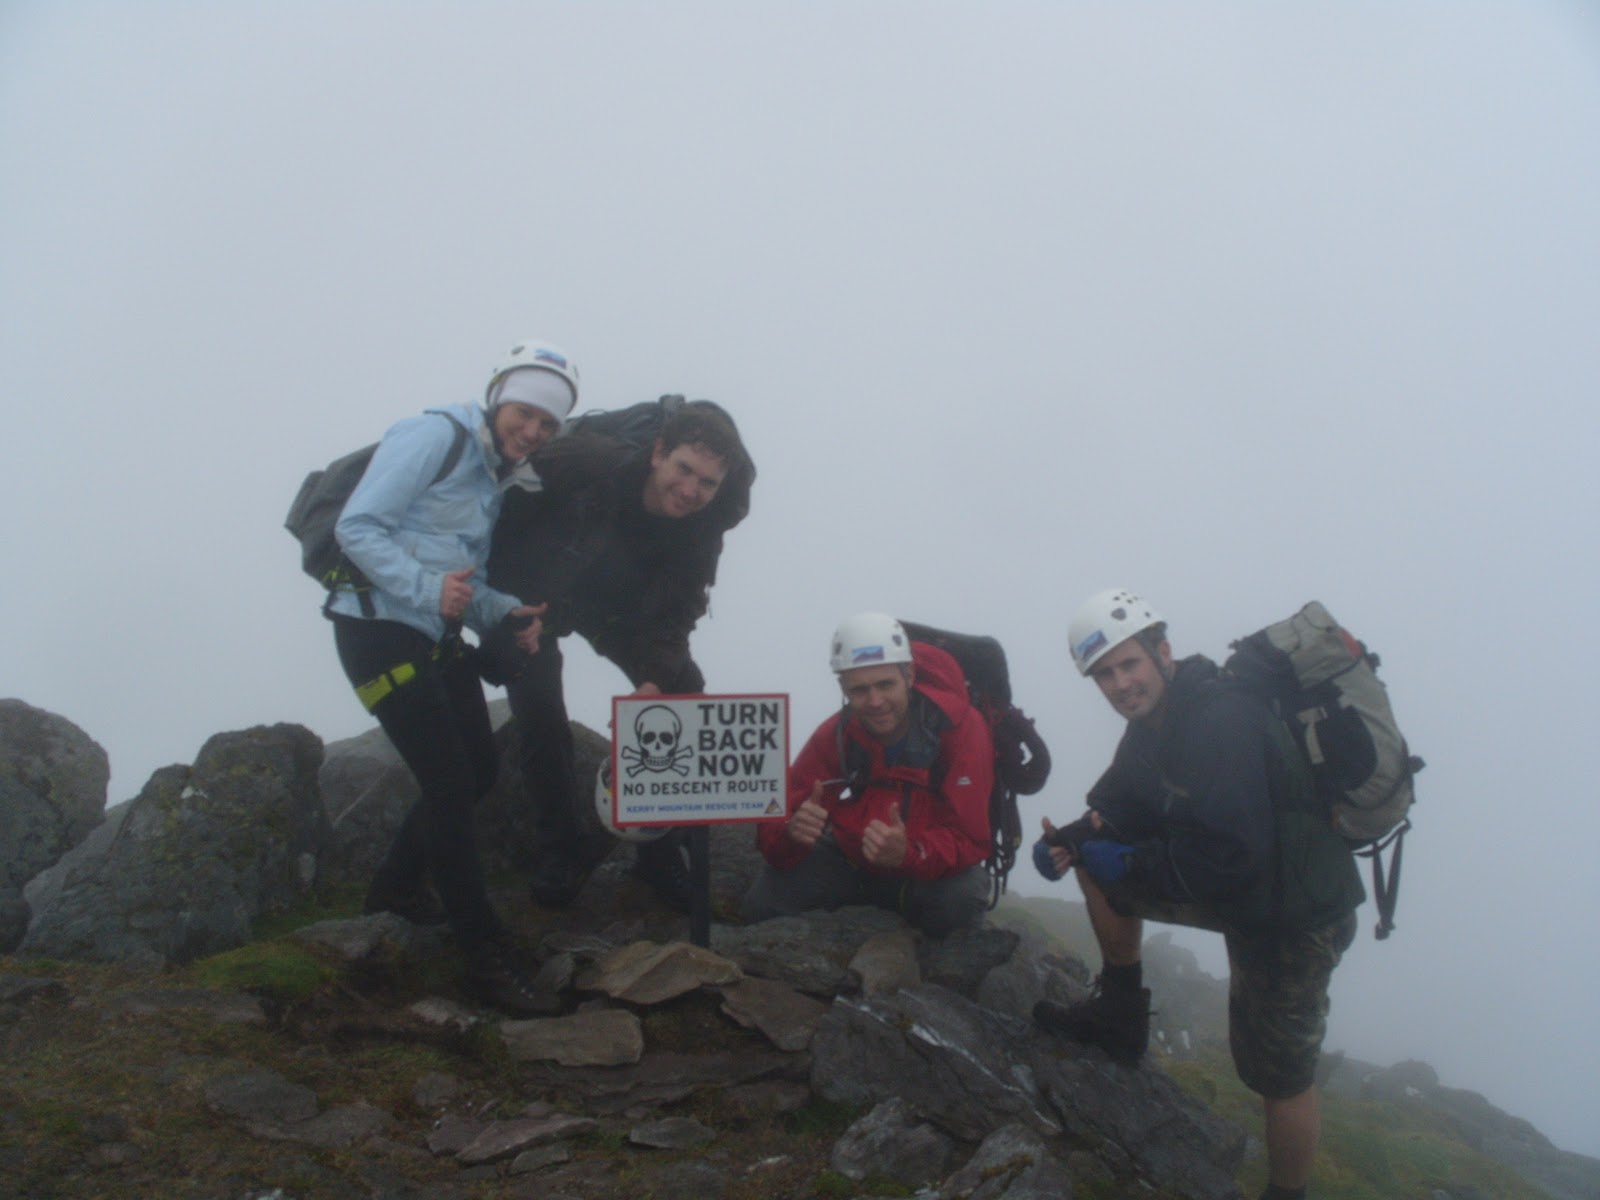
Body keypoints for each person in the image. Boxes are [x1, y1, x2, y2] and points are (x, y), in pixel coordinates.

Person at [1032, 589, 1365, 1200]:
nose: (1120, 684)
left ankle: (1286, 1195)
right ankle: (1121, 1012)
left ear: (1163, 653)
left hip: (1296, 911)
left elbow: (1233, 858)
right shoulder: (1154, 722)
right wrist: (1074, 841)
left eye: (1129, 664)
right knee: (1094, 861)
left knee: (1278, 1073)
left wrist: (1131, 859)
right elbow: (1119, 804)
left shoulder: (1219, 718)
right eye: (1104, 674)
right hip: (1247, 887)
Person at [327, 338, 579, 1015]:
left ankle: (396, 890)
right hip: (375, 632)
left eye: (547, 424)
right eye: (524, 412)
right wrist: (426, 589)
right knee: (447, 782)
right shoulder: (432, 436)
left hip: (431, 634)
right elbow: (358, 526)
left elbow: (468, 580)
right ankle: (485, 953)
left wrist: (509, 612)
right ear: (499, 397)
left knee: (477, 768)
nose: (531, 431)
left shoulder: (498, 474)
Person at [487, 399, 755, 909]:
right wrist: (508, 604)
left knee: (682, 689)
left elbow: (680, 608)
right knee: (540, 708)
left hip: (619, 612)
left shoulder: (704, 524)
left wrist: (653, 680)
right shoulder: (585, 462)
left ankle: (657, 851)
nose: (691, 490)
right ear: (657, 453)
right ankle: (559, 851)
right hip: (538, 595)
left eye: (707, 483)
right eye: (684, 470)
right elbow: (503, 513)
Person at [742, 613, 993, 937]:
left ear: (909, 675)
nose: (875, 702)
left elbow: (971, 839)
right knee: (765, 901)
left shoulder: (960, 729)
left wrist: (910, 851)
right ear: (843, 688)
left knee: (960, 899)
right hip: (854, 862)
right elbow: (777, 818)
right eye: (859, 690)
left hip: (923, 872)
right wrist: (791, 833)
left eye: (885, 684)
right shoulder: (839, 733)